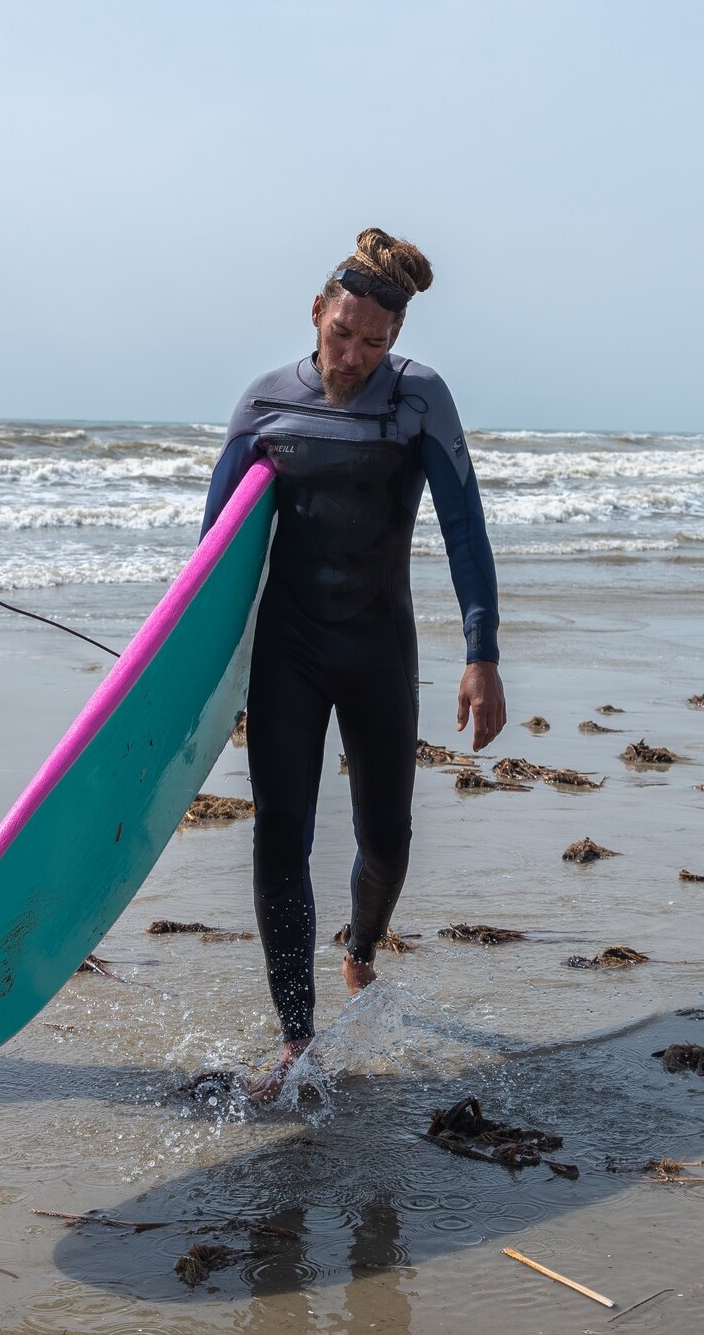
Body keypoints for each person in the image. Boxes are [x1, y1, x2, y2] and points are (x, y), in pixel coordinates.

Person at [204, 230, 504, 1094]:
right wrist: (199, 688)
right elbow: (213, 558)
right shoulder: (265, 404)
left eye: (375, 343)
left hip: (378, 641)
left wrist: (481, 653)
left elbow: (463, 527)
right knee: (279, 836)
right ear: (316, 313)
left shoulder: (418, 401)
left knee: (387, 836)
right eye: (342, 334)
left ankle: (360, 948)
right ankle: (295, 1036)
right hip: (288, 649)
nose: (354, 357)